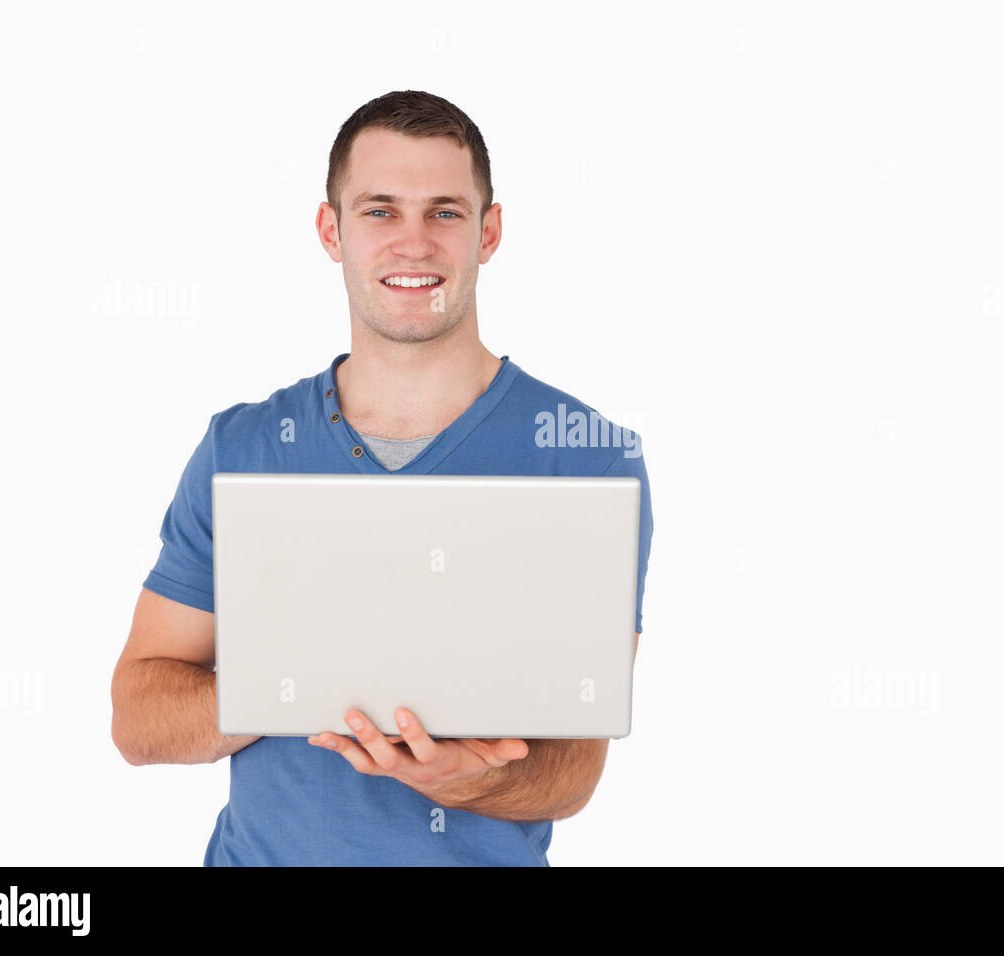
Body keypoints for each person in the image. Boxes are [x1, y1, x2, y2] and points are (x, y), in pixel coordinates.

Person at [109, 90, 653, 866]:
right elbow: (137, 717)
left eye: (444, 212)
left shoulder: (588, 457)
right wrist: (292, 679)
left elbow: (576, 767)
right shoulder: (245, 447)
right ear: (331, 231)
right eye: (379, 211)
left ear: (488, 232)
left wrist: (464, 782)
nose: (413, 243)